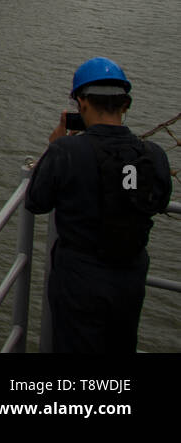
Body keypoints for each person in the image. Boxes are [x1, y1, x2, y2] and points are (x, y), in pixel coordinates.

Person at [26, 57, 172, 352]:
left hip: (79, 278)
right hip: (130, 277)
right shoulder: (152, 154)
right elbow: (160, 201)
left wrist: (52, 146)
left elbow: (36, 201)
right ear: (125, 105)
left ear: (82, 103)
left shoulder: (66, 151)